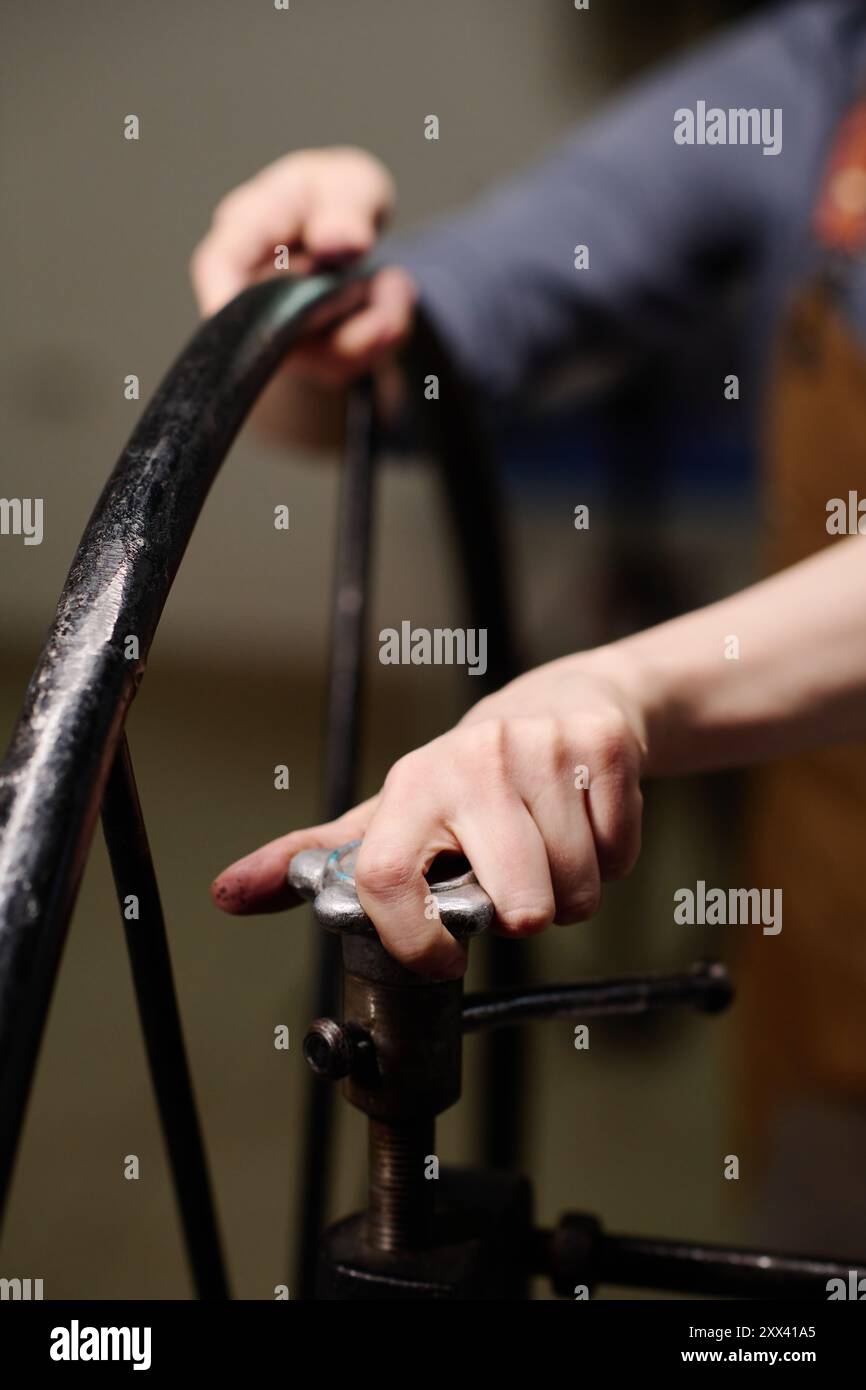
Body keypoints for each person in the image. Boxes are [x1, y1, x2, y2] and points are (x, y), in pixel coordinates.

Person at [192, 0, 866, 1248]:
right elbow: (383, 382)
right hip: (840, 915)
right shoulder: (811, 69)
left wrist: (617, 689)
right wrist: (290, 307)